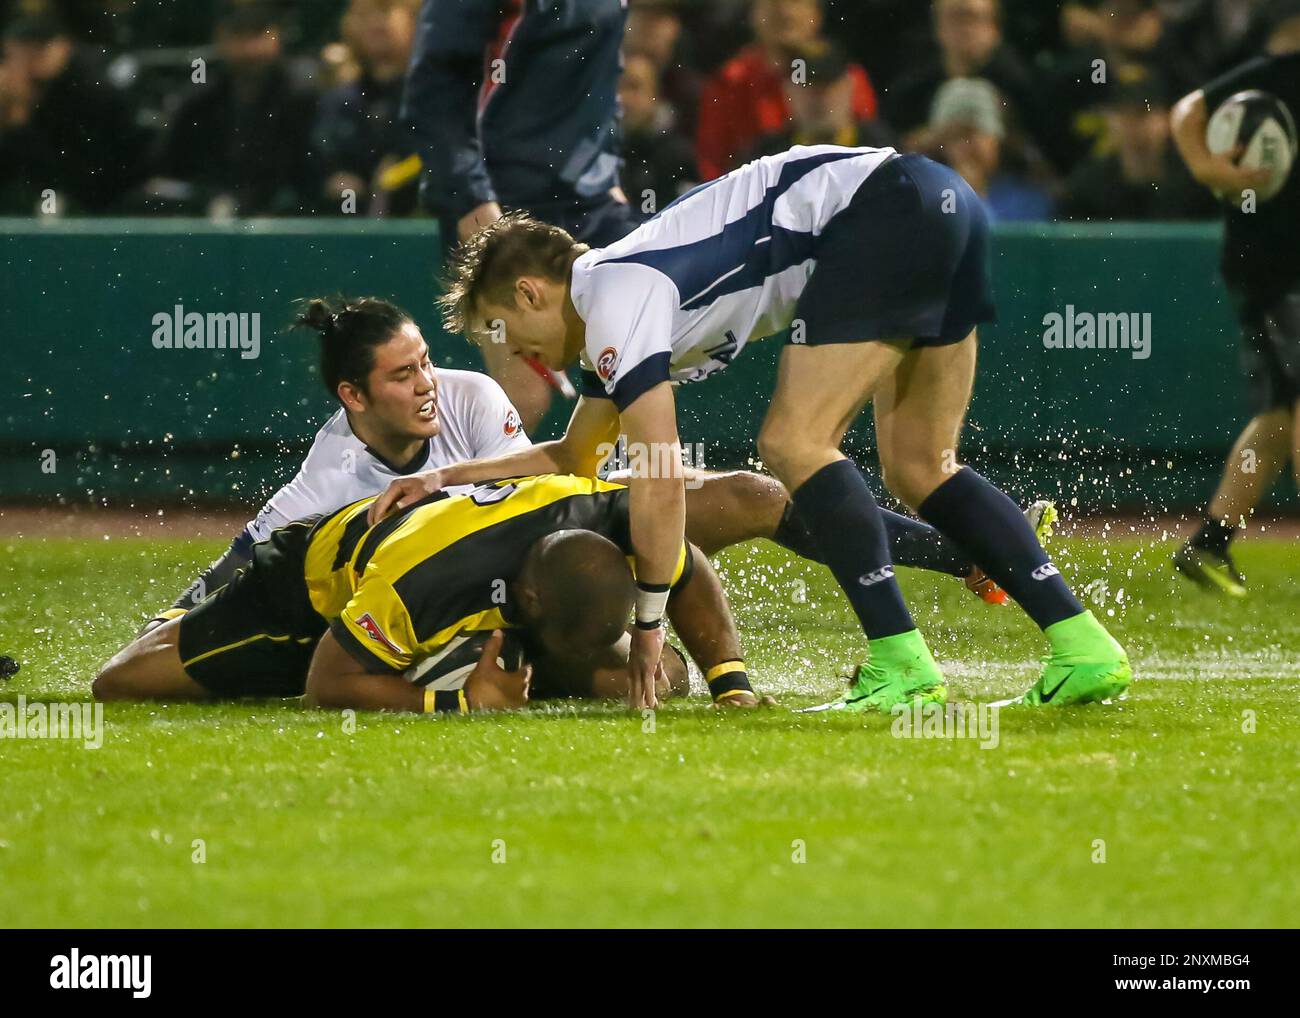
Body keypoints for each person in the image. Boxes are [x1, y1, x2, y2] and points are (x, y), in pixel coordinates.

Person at [371, 144, 1132, 713]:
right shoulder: (615, 300)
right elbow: (575, 455)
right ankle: (1082, 646)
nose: (518, 353)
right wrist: (442, 477)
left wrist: (645, 625)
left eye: (505, 329)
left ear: (533, 292)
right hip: (940, 201)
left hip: (881, 213)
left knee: (791, 444)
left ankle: (901, 665)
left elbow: (660, 477)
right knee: (920, 465)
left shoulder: (613, 300)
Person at [149, 295, 1011, 635]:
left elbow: (542, 492)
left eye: (424, 363)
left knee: (755, 493)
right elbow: (247, 558)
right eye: (401, 375)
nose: (426, 385)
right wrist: (169, 627)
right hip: (466, 608)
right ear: (353, 396)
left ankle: (967, 554)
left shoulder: (470, 397)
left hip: (552, 541)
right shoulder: (331, 477)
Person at [93, 475, 763, 710]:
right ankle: (185, 614)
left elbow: (688, 565)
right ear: (526, 602)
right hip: (310, 596)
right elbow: (328, 680)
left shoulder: (604, 515)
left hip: (486, 604)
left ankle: (484, 666)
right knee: (123, 681)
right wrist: (454, 705)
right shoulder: (427, 583)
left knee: (646, 681)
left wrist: (728, 681)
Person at [401, 0, 641, 431]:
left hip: (592, 200)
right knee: (522, 399)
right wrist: (471, 198)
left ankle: (627, 497)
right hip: (498, 200)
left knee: (637, 372)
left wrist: (608, 167)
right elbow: (433, 91)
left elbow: (601, 75)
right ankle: (443, 491)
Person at [1169, 5, 1300, 594]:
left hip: (1272, 270)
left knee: (1277, 413)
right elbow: (1188, 111)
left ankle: (1212, 541)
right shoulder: (1280, 74)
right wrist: (1209, 169)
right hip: (1276, 271)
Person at [695, 0, 878, 181]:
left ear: (817, 12)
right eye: (773, 2)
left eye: (796, 2)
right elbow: (713, 165)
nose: (785, 11)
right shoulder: (730, 83)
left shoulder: (847, 76)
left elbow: (868, 141)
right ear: (753, 13)